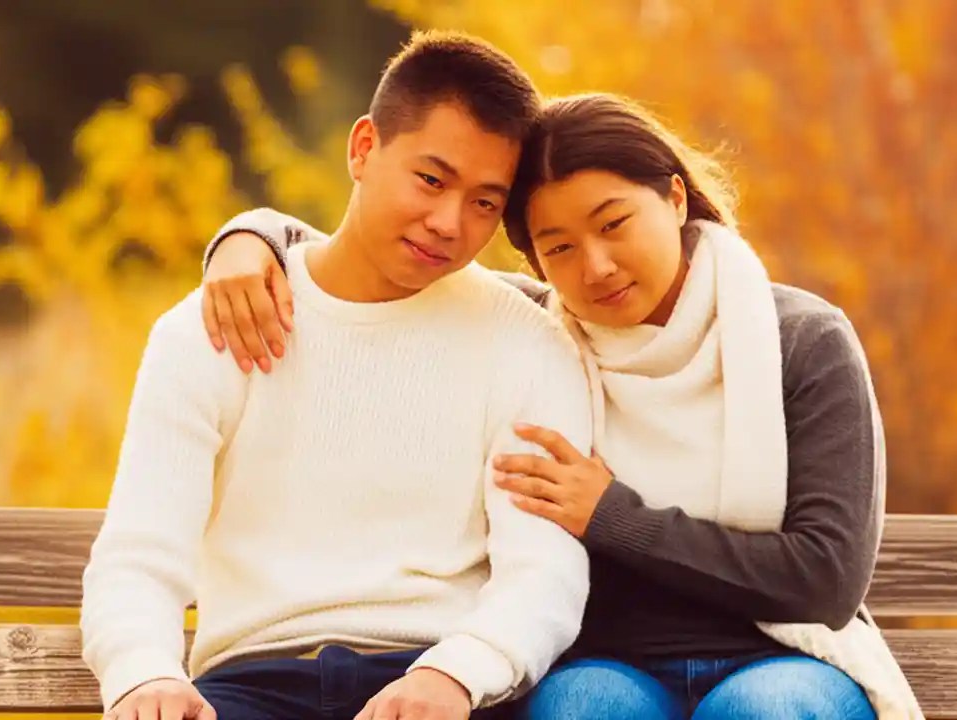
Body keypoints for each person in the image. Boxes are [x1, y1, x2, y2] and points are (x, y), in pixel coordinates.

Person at [196, 94, 924, 720]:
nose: (596, 267)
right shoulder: (542, 333)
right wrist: (251, 235)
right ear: (534, 265)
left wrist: (611, 518)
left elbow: (826, 579)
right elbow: (365, 260)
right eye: (559, 248)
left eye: (614, 224)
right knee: (583, 709)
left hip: (785, 657)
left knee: (758, 711)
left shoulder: (799, 339)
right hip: (607, 663)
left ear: (673, 197)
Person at [81, 32, 595, 720]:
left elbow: (543, 573)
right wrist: (143, 675)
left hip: (443, 682)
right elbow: (140, 554)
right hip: (248, 685)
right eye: (431, 180)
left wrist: (455, 673)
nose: (448, 223)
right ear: (363, 149)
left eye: (484, 203)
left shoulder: (528, 344)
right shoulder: (214, 327)